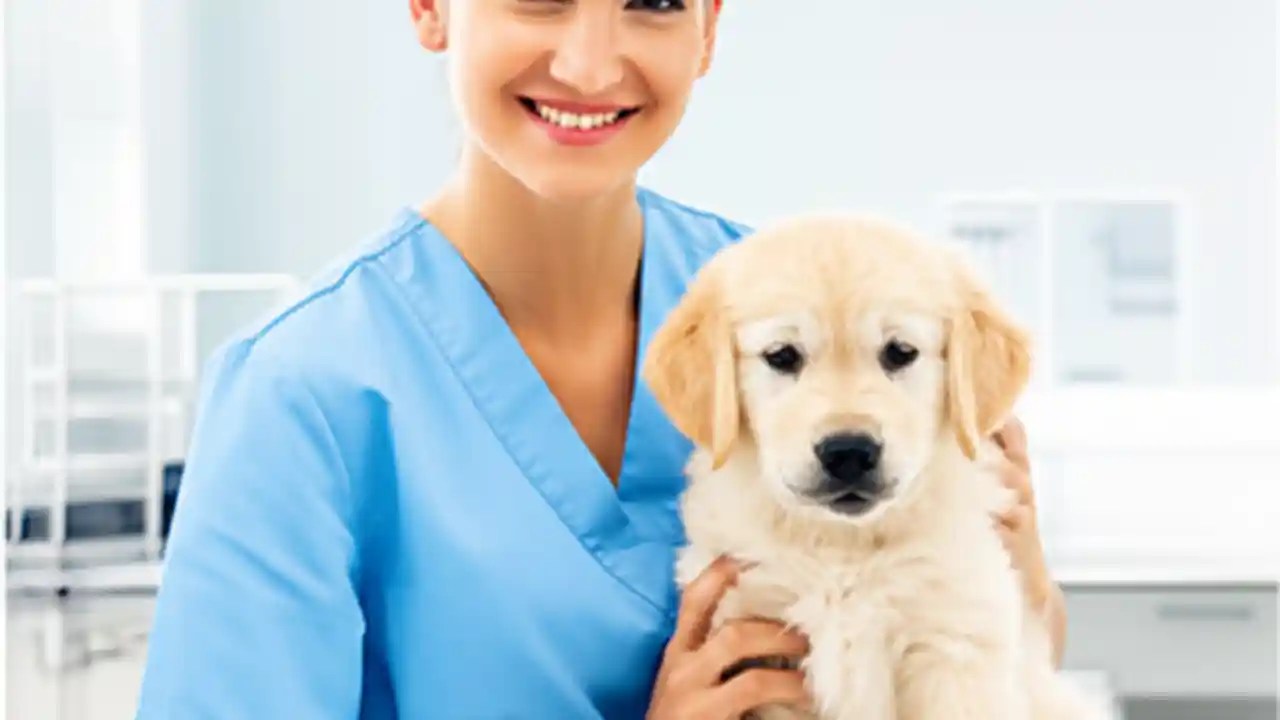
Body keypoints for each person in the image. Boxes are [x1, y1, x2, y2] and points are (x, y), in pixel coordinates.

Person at [135, 1, 1066, 717]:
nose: (588, 61)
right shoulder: (303, 393)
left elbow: (1017, 653)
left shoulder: (827, 311)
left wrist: (1017, 578)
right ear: (428, 6)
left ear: (708, 26)